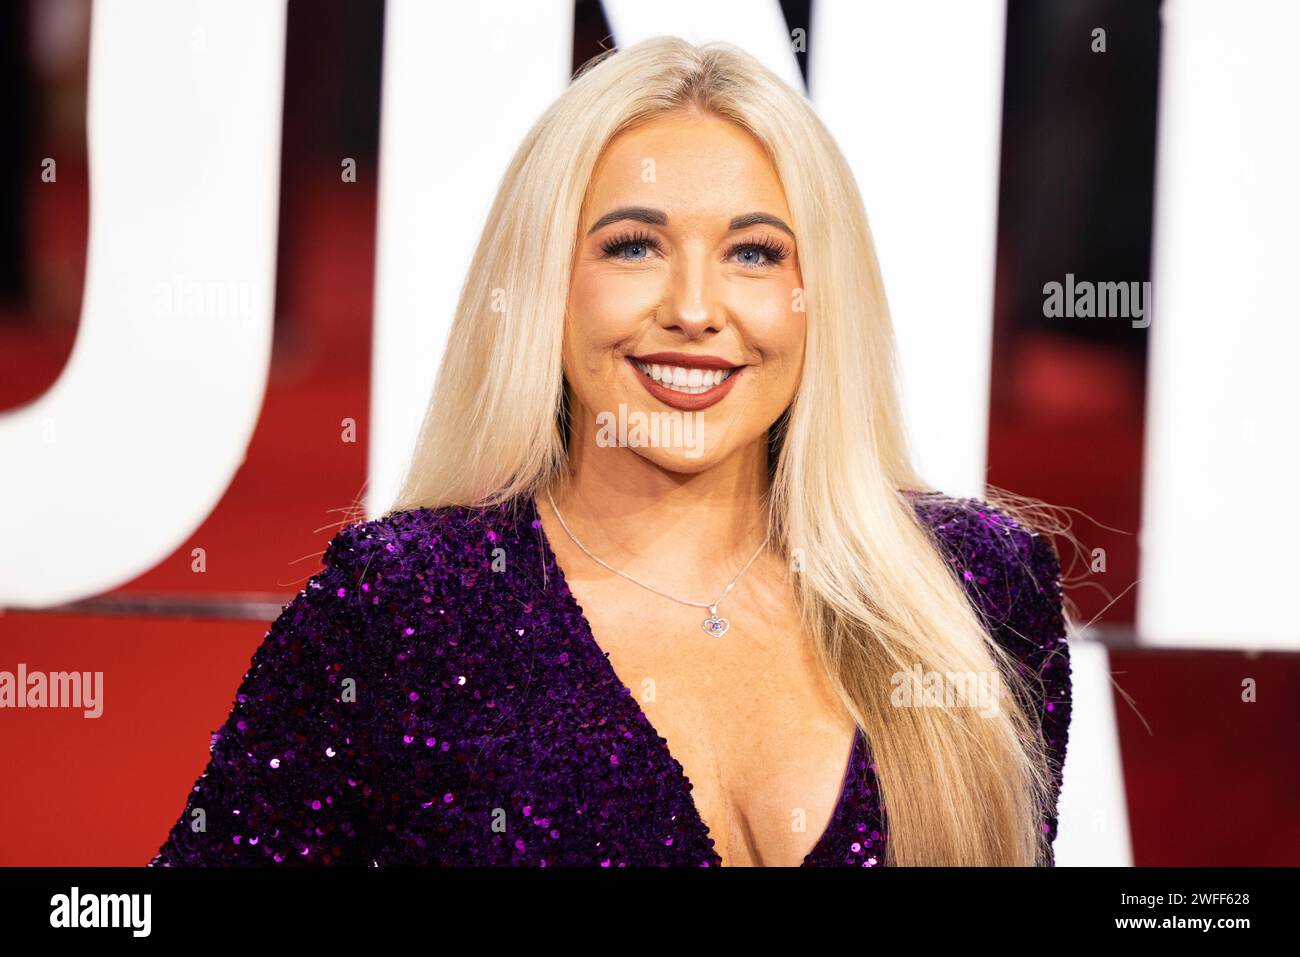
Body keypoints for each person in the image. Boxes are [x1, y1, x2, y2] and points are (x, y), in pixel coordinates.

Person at [150, 36, 1071, 868]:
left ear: (819, 295)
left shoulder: (973, 589)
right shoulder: (409, 604)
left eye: (754, 255)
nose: (696, 308)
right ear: (546, 285)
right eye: (634, 247)